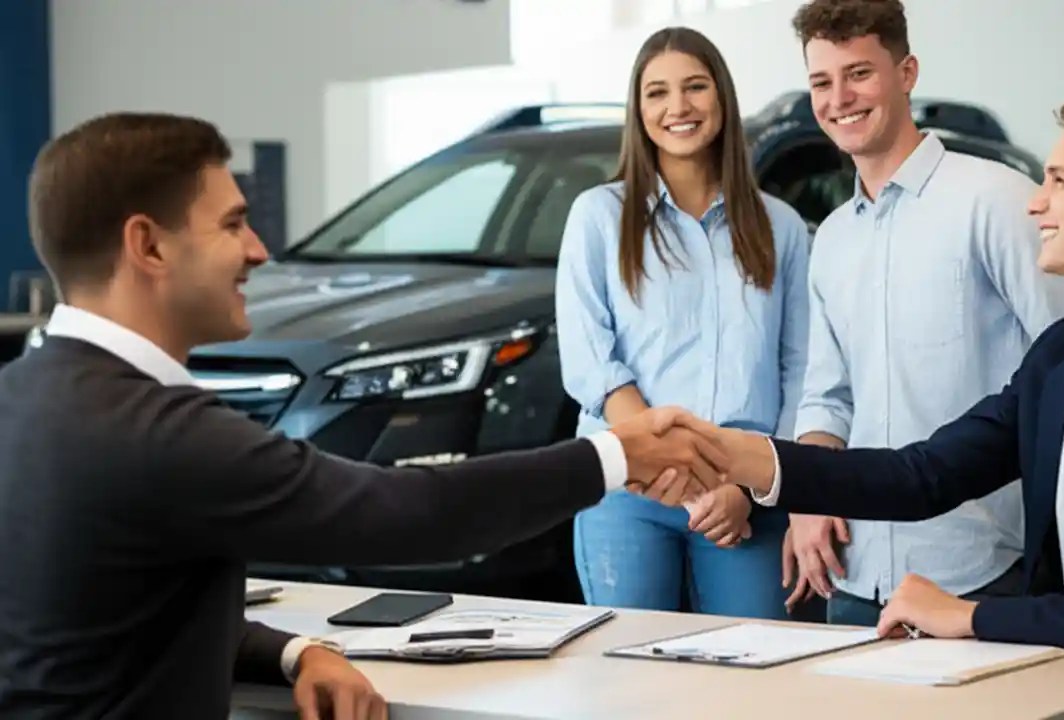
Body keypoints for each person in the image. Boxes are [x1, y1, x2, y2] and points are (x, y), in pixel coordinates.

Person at [0, 112, 729, 720]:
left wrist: (294, 650)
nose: (257, 250)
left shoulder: (22, 397)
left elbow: (126, 608)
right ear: (148, 245)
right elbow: (411, 514)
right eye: (231, 225)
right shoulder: (159, 432)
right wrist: (616, 455)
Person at [670, 93, 1064, 718]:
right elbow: (922, 476)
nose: (1036, 202)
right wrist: (736, 454)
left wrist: (969, 615)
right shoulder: (1058, 360)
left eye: (1060, 181)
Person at [780, 0, 1064, 622]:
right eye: (821, 81)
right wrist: (809, 496)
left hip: (980, 570)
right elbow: (827, 397)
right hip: (855, 575)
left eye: (859, 73)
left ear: (907, 72)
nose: (840, 98)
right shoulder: (832, 237)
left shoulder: (996, 202)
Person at [555, 26, 811, 619]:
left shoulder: (783, 228)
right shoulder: (598, 217)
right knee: (629, 680)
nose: (678, 107)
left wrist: (749, 488)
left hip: (741, 496)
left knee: (754, 685)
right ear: (638, 109)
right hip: (628, 489)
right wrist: (665, 464)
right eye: (657, 92)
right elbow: (590, 358)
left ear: (721, 97)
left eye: (695, 87)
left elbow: (800, 372)